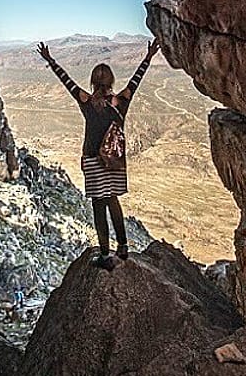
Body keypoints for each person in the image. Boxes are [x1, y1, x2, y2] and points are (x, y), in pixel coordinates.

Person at [37, 38, 161, 269]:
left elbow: (67, 81)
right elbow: (136, 79)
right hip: (114, 161)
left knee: (99, 206)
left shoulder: (86, 101)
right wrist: (148, 57)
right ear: (111, 81)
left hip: (93, 161)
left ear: (93, 82)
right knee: (113, 200)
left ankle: (105, 255)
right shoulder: (121, 100)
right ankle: (122, 247)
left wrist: (50, 60)